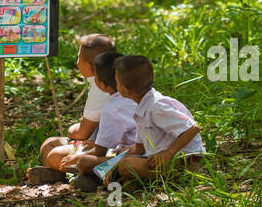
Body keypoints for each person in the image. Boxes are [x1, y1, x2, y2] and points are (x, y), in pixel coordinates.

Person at [27, 33, 116, 184]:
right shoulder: (118, 78)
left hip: (109, 151)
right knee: (51, 142)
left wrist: (71, 130)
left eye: (79, 57)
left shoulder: (100, 87)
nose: (77, 62)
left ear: (92, 67)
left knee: (53, 154)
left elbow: (83, 133)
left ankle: (85, 177)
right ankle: (71, 176)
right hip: (104, 144)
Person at [110, 55, 205, 182]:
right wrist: (112, 167)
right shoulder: (143, 106)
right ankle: (117, 177)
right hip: (158, 159)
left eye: (117, 82)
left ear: (126, 90)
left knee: (127, 166)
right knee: (122, 156)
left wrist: (168, 153)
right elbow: (138, 148)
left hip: (183, 162)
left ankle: (173, 178)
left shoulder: (156, 107)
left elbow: (193, 128)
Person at [66, 51, 137, 190]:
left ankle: (101, 177)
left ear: (101, 83)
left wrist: (77, 158)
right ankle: (107, 176)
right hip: (145, 150)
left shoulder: (112, 108)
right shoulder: (138, 94)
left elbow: (100, 151)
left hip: (136, 154)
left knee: (84, 162)